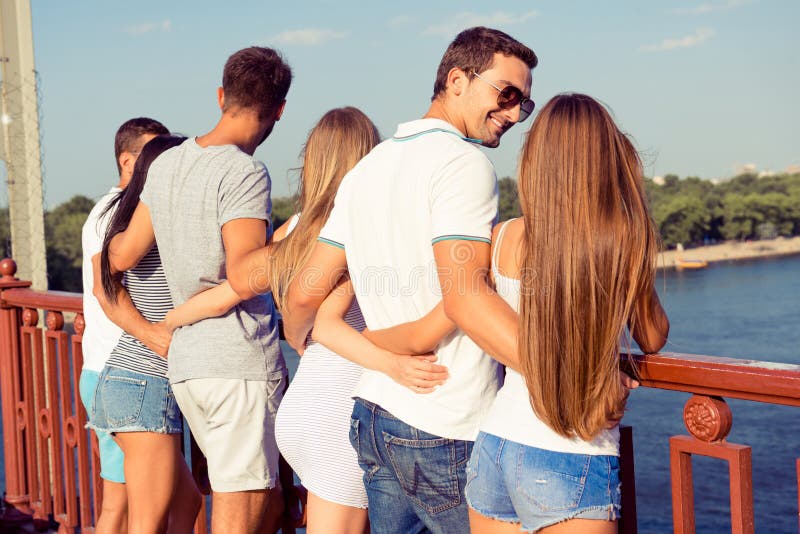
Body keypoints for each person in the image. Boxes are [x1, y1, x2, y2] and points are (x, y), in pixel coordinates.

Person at [263, 27, 539, 533]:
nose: (516, 112)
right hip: (445, 422)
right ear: (457, 80)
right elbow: (465, 295)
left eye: (525, 101)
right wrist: (564, 375)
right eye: (507, 93)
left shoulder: (368, 167)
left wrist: (309, 341)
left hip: (375, 415)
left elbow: (305, 291)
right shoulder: (464, 163)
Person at [105, 46, 291, 534]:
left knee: (244, 498)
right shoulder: (245, 171)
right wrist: (297, 240)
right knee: (239, 506)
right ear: (279, 109)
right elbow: (245, 270)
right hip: (235, 361)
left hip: (189, 366)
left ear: (220, 95)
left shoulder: (166, 164)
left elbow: (122, 253)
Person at [464, 94, 670, 533]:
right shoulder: (619, 239)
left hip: (498, 444)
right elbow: (652, 337)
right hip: (572, 450)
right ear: (606, 157)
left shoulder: (503, 236)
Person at [91, 134, 201, 534]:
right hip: (146, 383)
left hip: (127, 377)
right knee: (146, 524)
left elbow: (103, 280)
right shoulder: (156, 224)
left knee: (187, 504)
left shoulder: (128, 217)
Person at [79, 116, 168, 534]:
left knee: (178, 500)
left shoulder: (132, 210)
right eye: (151, 156)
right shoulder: (111, 213)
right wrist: (152, 336)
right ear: (127, 160)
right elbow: (104, 286)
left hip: (123, 372)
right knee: (118, 505)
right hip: (117, 371)